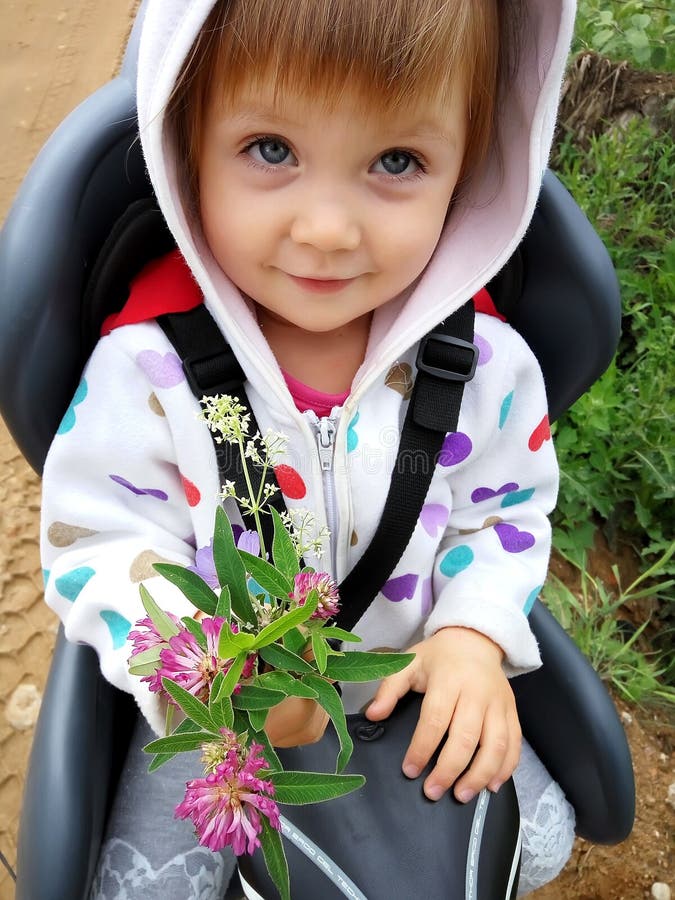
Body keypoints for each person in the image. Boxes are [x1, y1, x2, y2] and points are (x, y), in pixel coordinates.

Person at [40, 0, 579, 896]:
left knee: (540, 839)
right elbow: (94, 540)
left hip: (404, 677)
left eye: (396, 161)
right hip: (218, 719)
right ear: (186, 145)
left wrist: (472, 632)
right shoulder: (151, 372)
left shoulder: (479, 370)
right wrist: (204, 672)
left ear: (469, 169)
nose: (326, 229)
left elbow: (507, 514)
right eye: (271, 150)